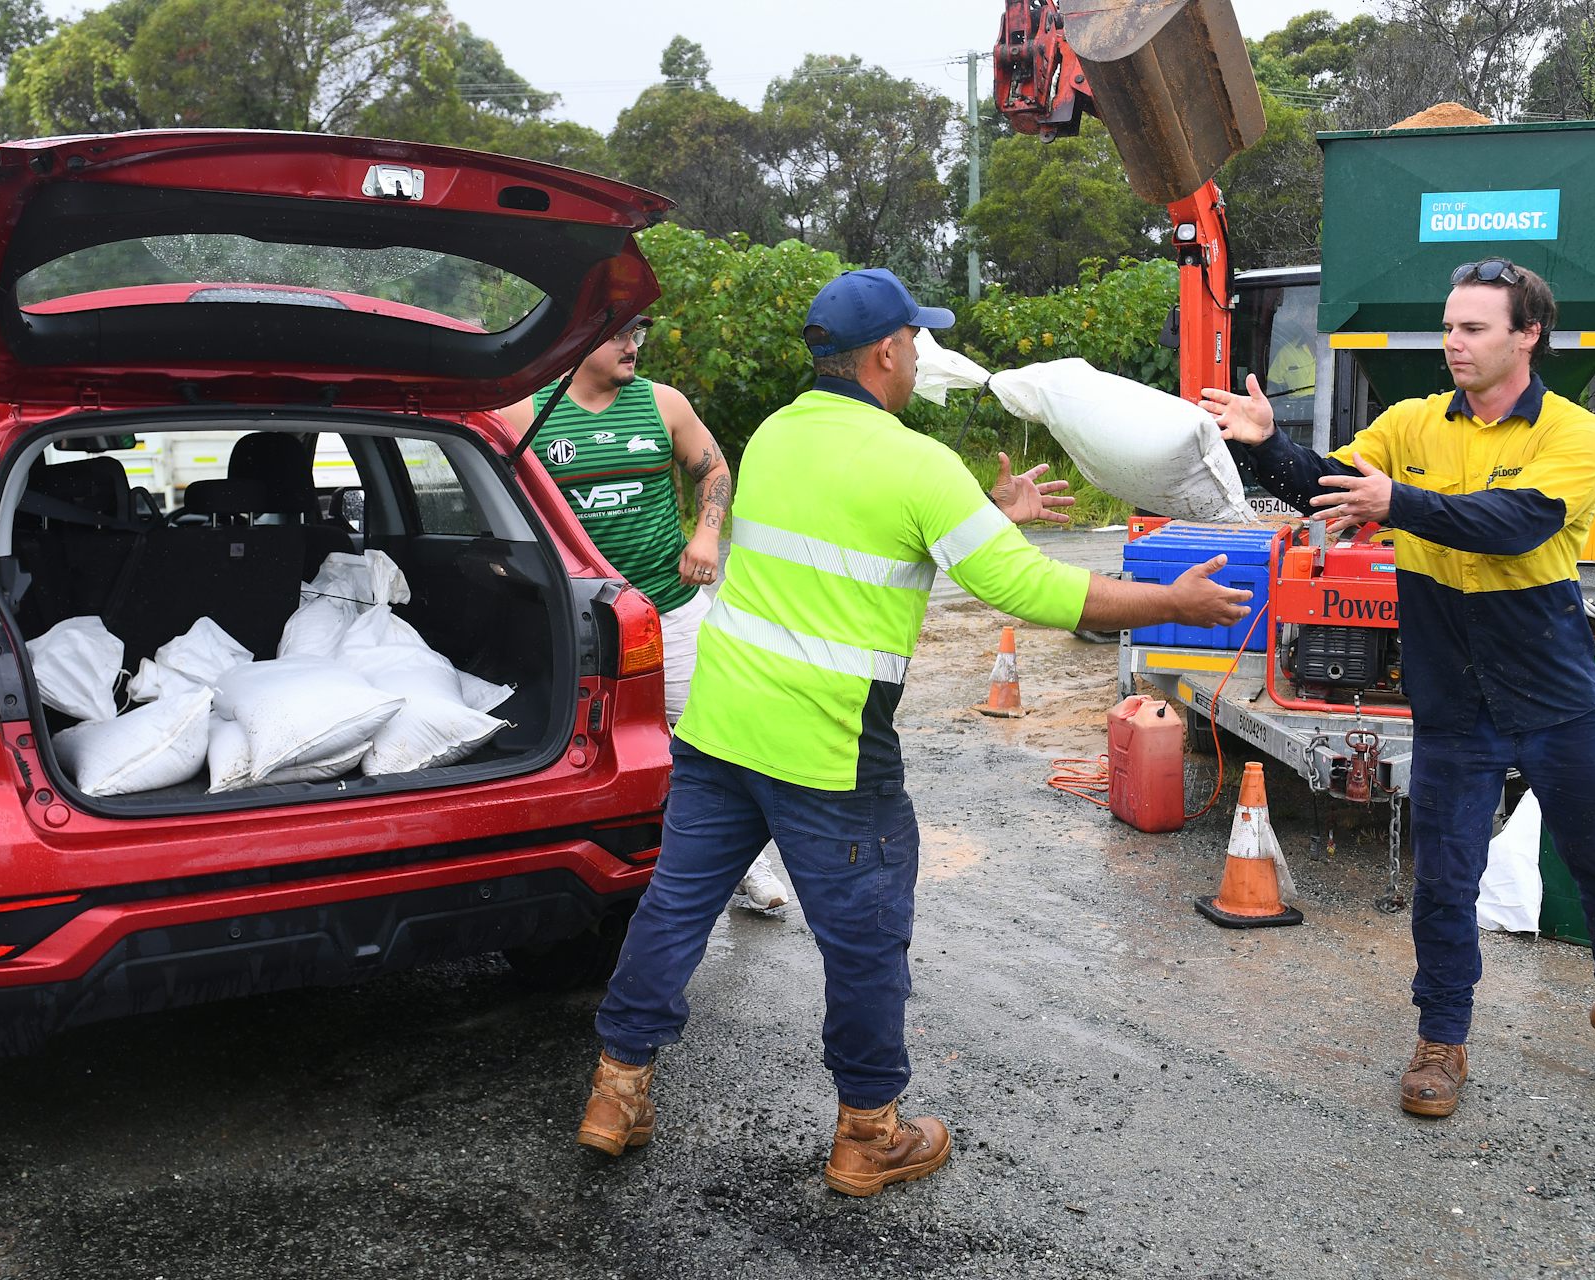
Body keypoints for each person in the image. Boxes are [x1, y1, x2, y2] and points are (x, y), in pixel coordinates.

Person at [576, 268, 1252, 1194]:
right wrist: (1169, 599)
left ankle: (616, 1095)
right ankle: (868, 1133)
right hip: (831, 745)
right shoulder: (915, 463)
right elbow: (1035, 591)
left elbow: (867, 538)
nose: (922, 355)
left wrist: (992, 520)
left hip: (723, 726)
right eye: (917, 340)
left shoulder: (775, 435)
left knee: (675, 908)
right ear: (888, 352)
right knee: (863, 936)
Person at [1204, 257, 1595, 1118]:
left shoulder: (1575, 434)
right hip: (1453, 698)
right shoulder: (1410, 422)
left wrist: (1395, 502)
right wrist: (1268, 447)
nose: (1454, 342)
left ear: (1527, 336)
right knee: (1446, 878)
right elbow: (1331, 486)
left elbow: (1516, 527)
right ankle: (1441, 1038)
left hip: (1554, 690)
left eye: (1474, 328)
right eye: (1449, 326)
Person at [500, 317, 791, 912]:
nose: (633, 346)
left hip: (673, 608)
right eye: (619, 335)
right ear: (577, 341)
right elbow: (495, 497)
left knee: (715, 741)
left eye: (639, 334)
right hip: (574, 622)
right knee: (584, 750)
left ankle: (748, 865)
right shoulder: (523, 416)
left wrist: (707, 538)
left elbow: (712, 469)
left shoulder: (663, 404)